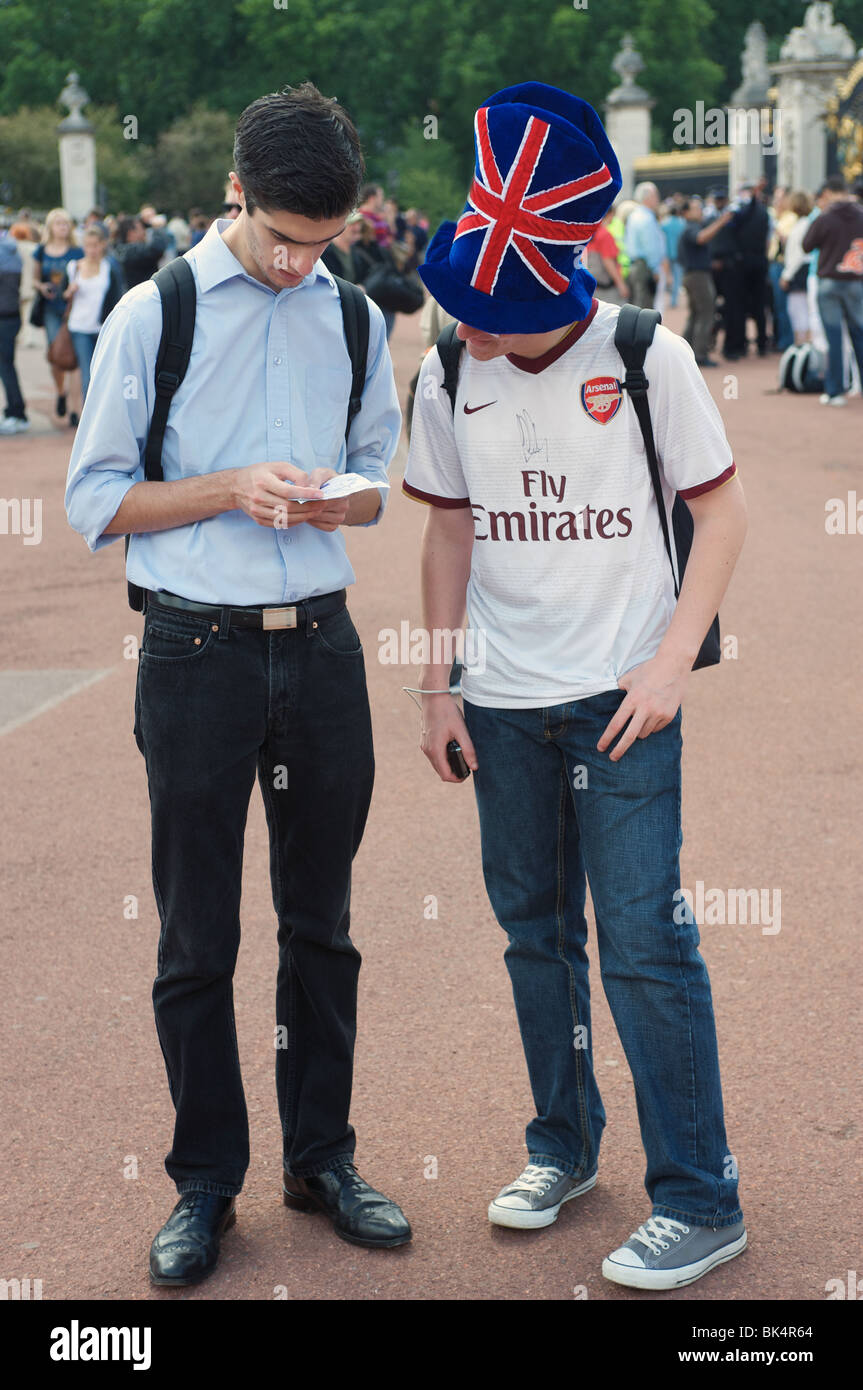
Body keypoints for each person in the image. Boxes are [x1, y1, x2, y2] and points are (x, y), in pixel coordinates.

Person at [405, 81, 748, 1292]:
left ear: (550, 290)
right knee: (534, 937)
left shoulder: (645, 355)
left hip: (619, 700)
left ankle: (701, 1197)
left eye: (483, 307)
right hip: (498, 698)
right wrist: (435, 687)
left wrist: (668, 662)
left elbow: (722, 513)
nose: (462, 318)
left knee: (645, 948)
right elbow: (446, 532)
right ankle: (562, 1145)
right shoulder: (450, 366)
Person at [65, 81, 408, 1287]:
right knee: (196, 935)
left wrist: (336, 497)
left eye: (321, 245)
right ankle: (204, 1181)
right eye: (280, 239)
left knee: (324, 927)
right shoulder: (152, 312)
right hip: (194, 650)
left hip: (319, 644)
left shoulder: (356, 316)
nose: (295, 265)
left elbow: (379, 473)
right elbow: (94, 499)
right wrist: (225, 486)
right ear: (234, 195)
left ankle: (322, 1158)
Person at [802, 174, 863, 407]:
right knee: (859, 334)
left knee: (834, 337)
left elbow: (807, 245)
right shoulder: (860, 214)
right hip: (855, 281)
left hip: (828, 281)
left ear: (827, 193)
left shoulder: (825, 217)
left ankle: (835, 391)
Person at [63, 222, 124, 407]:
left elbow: (116, 297)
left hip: (102, 327)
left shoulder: (109, 268)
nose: (92, 250)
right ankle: (87, 415)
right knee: (87, 374)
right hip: (79, 326)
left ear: (103, 244)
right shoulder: (74, 267)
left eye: (95, 245)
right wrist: (70, 291)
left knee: (104, 373)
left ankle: (103, 412)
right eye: (88, 245)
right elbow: (62, 295)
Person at [32, 207, 83, 417]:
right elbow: (34, 279)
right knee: (57, 354)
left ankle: (75, 409)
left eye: (65, 223)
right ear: (51, 227)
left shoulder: (77, 251)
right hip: (51, 309)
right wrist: (41, 287)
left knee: (76, 357)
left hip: (74, 308)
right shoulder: (42, 250)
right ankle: (60, 392)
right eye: (58, 223)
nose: (62, 227)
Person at [678, 196, 735, 367]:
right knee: (706, 313)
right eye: (696, 208)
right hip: (697, 276)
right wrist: (721, 222)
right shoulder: (691, 228)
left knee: (696, 314)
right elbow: (701, 238)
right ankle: (700, 354)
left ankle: (684, 351)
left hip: (695, 274)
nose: (700, 210)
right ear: (686, 213)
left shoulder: (691, 226)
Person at [0, 225, 29, 434]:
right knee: (7, 366)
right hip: (11, 315)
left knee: (6, 367)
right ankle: (16, 411)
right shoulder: (12, 250)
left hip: (5, 316)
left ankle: (16, 413)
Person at [624, 182, 669, 309]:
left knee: (638, 306)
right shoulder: (646, 218)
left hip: (636, 265)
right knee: (645, 308)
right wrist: (655, 269)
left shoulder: (634, 215)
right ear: (647, 197)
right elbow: (650, 247)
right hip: (645, 267)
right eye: (656, 195)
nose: (658, 199)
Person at [778, 191, 814, 346]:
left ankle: (802, 346)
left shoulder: (803, 225)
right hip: (802, 270)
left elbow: (797, 254)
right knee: (802, 311)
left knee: (799, 311)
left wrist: (786, 275)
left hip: (799, 272)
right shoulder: (804, 223)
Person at [112, 215, 169, 290]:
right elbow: (157, 248)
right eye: (141, 228)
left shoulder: (120, 249)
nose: (144, 232)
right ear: (131, 233)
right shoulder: (131, 251)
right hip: (144, 295)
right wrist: (156, 227)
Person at [586, 207, 628, 305]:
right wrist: (621, 284)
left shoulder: (590, 232)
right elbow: (608, 261)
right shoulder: (604, 234)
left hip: (594, 286)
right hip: (607, 287)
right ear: (609, 214)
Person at [320, 210, 364, 282]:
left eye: (359, 223)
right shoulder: (325, 251)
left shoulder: (356, 250)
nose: (357, 227)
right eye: (352, 223)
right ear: (339, 226)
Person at [662, 197, 686, 307]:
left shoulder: (664, 224)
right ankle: (674, 300)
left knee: (667, 276)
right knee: (677, 277)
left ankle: (670, 295)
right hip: (679, 253)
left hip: (666, 253)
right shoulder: (682, 223)